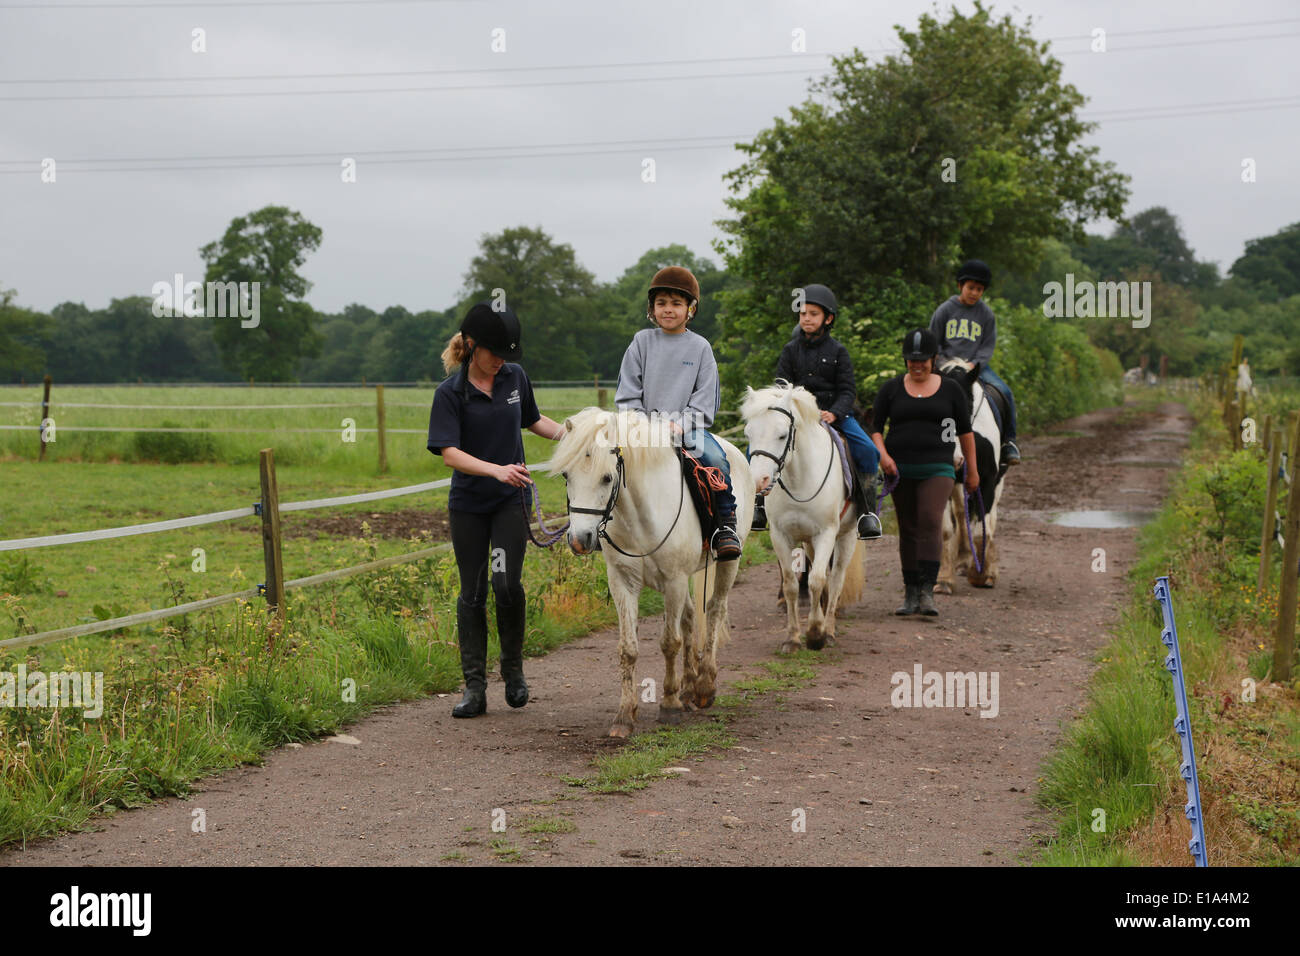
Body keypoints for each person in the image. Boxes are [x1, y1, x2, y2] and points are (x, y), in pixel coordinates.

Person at [427, 303, 565, 718]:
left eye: (507, 353)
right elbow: (450, 453)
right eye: (494, 352)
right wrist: (496, 470)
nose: (501, 360)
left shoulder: (514, 378)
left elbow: (535, 421)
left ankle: (514, 673)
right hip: (469, 505)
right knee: (472, 592)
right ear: (470, 346)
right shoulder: (450, 394)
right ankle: (474, 688)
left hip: (510, 502)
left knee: (505, 584)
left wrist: (578, 437)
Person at [614, 266, 742, 560]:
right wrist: (644, 427)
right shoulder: (640, 343)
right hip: (642, 429)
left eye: (676, 303)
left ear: (690, 309)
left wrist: (679, 426)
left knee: (714, 458)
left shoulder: (700, 348)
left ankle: (725, 525)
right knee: (606, 462)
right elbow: (627, 396)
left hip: (688, 429)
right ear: (652, 308)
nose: (668, 310)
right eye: (661, 303)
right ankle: (601, 527)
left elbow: (705, 401)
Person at [753, 283, 882, 540]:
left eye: (813, 313)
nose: (806, 318)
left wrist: (834, 413)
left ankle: (867, 513)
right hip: (797, 418)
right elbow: (781, 388)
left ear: (828, 318)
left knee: (868, 450)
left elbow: (847, 390)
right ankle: (758, 506)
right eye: (802, 313)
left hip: (834, 415)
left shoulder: (839, 352)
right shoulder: (790, 351)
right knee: (757, 445)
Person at [870, 329, 978, 617]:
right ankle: (911, 591)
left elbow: (966, 432)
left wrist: (972, 471)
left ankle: (928, 590)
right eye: (911, 360)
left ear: (934, 359)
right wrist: (883, 456)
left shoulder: (951, 390)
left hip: (938, 466)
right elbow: (876, 427)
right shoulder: (891, 389)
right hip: (900, 467)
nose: (917, 365)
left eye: (923, 360)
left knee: (930, 520)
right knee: (908, 528)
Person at [928, 259, 1021, 465]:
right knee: (923, 395)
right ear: (960, 286)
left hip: (974, 368)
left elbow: (987, 346)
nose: (974, 293)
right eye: (971, 288)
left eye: (979, 289)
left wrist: (973, 364)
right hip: (946, 367)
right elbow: (934, 341)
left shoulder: (986, 314)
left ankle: (1008, 442)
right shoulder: (945, 310)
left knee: (1004, 391)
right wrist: (943, 363)